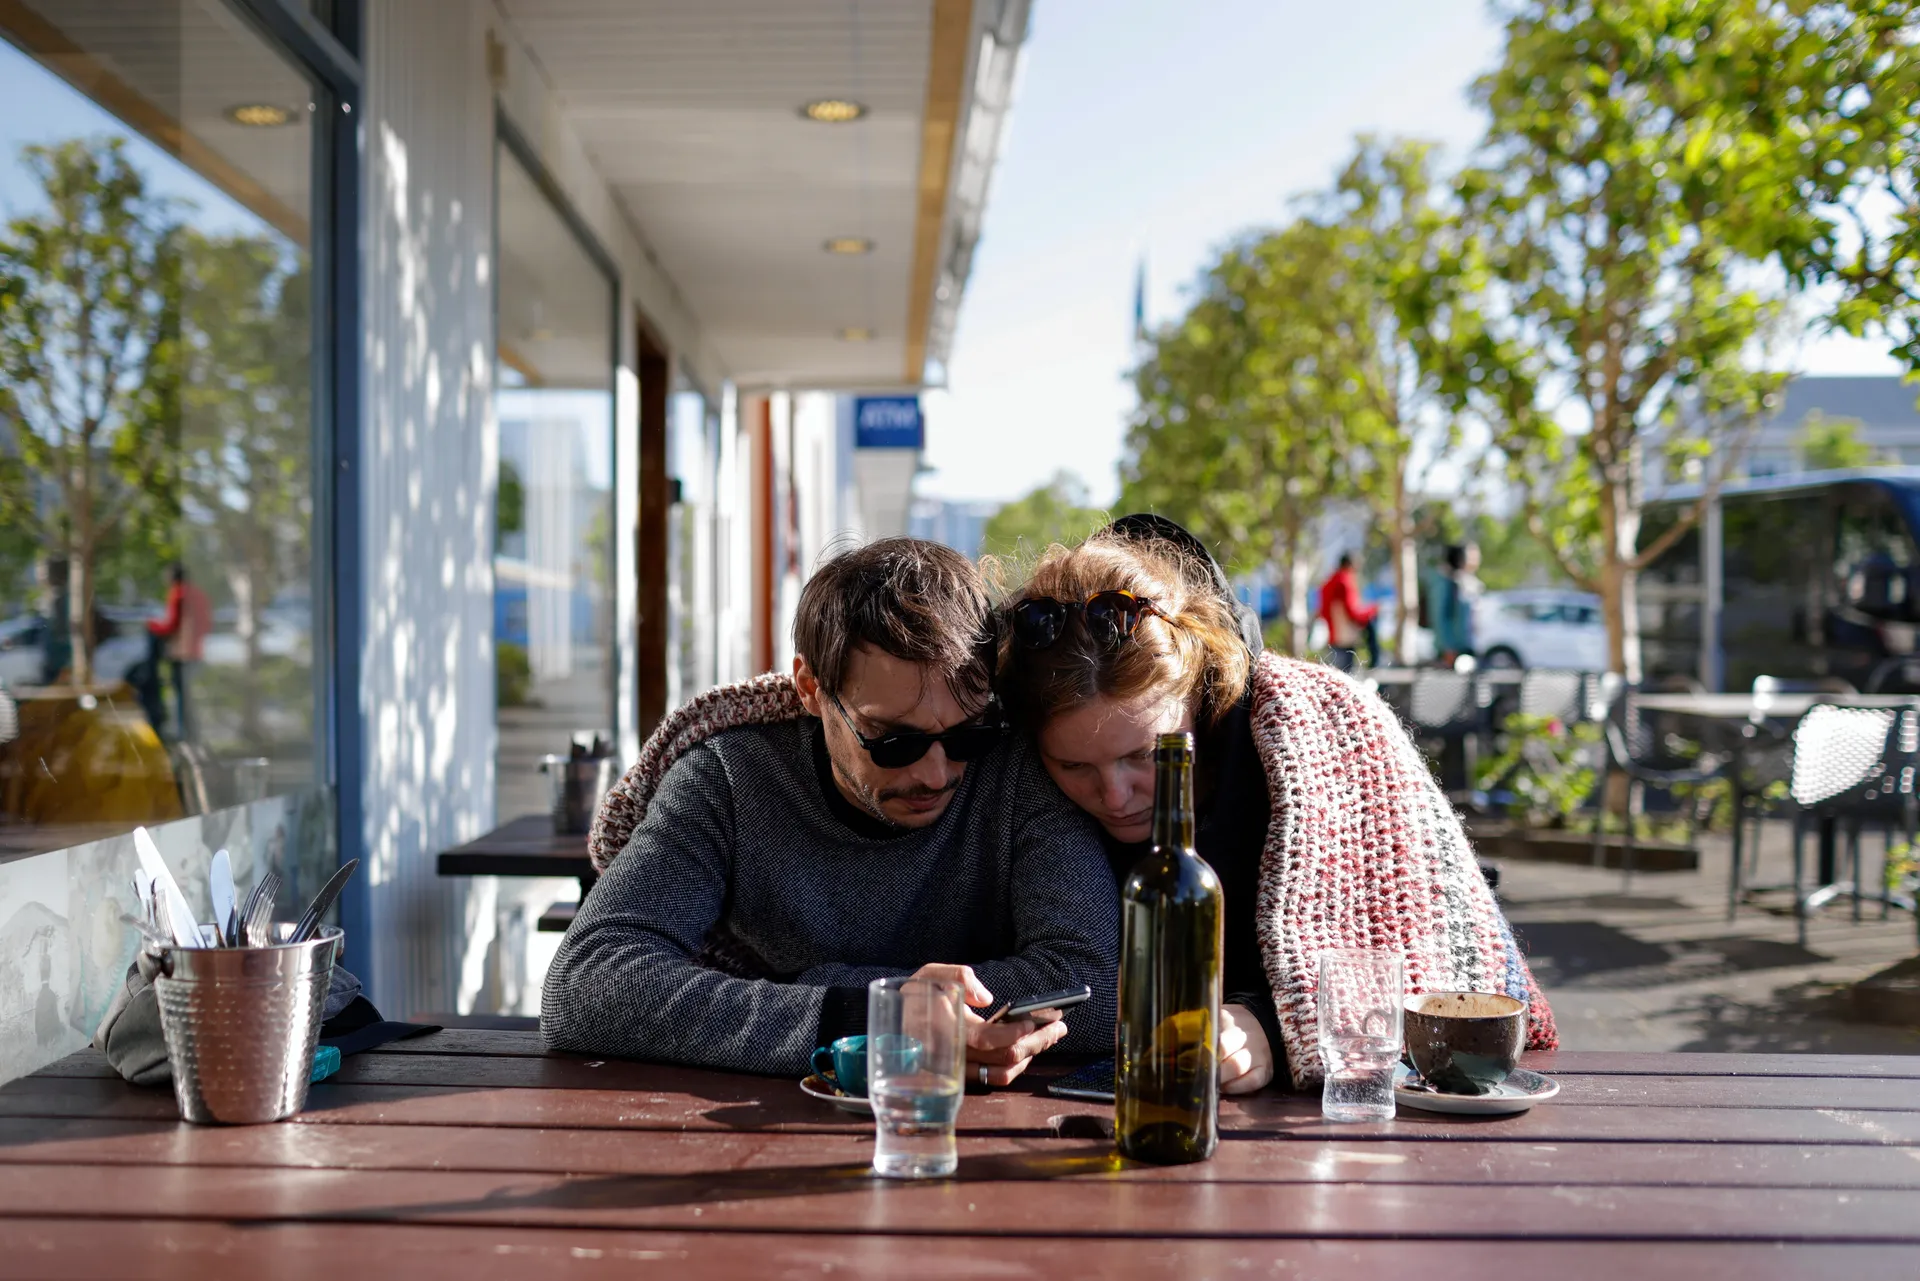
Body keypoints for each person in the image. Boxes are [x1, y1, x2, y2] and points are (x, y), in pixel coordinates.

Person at [995, 516, 1555, 1094]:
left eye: (1146, 755)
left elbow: (1440, 964)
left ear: (1203, 691)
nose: (1114, 796)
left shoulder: (1330, 730)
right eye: (1074, 767)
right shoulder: (1012, 777)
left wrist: (1276, 1027)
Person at [543, 538, 1119, 1084]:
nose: (936, 772)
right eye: (895, 740)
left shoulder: (1018, 765)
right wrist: (863, 1017)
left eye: (968, 734)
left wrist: (824, 989)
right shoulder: (730, 776)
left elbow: (1096, 983)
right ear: (810, 688)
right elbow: (585, 983)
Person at [147, 563, 211, 739]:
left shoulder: (178, 593)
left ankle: (184, 734)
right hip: (195, 650)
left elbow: (171, 625)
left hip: (181, 652)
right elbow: (206, 623)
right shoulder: (198, 593)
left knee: (182, 695)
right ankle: (191, 733)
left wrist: (152, 625)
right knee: (188, 695)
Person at [1316, 552, 1379, 671]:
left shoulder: (1329, 582)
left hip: (1334, 634)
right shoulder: (1344, 581)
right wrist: (1371, 611)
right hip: (1344, 636)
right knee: (1344, 673)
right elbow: (1352, 611)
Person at [1430, 542, 1481, 668]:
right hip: (1453, 651)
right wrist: (1448, 647)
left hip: (1466, 646)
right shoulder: (1449, 583)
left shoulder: (1466, 581)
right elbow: (1442, 616)